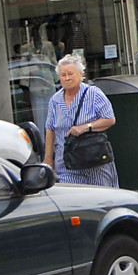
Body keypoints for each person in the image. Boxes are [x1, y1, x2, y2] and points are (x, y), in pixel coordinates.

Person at [43, 56, 119, 187]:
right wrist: (48, 158)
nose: (67, 78)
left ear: (80, 74)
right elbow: (50, 129)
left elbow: (110, 119)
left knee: (101, 195)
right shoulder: (55, 100)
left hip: (94, 159)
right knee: (71, 195)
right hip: (67, 163)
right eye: (63, 75)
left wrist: (86, 127)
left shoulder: (93, 94)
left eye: (70, 74)